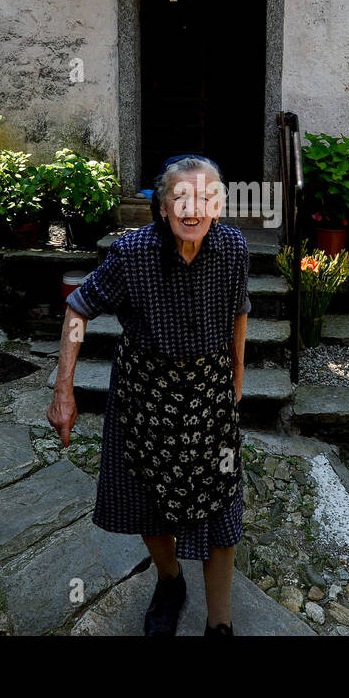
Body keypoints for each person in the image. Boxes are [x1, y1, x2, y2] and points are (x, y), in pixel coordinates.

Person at [48, 155, 250, 635]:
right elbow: (78, 310)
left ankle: (219, 624)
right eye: (180, 198)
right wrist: (64, 391)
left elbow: (240, 309)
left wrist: (237, 378)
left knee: (220, 504)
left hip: (209, 395)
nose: (192, 209)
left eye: (204, 197)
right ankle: (170, 579)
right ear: (162, 208)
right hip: (144, 396)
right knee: (147, 502)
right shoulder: (133, 253)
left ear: (218, 206)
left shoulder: (233, 248)